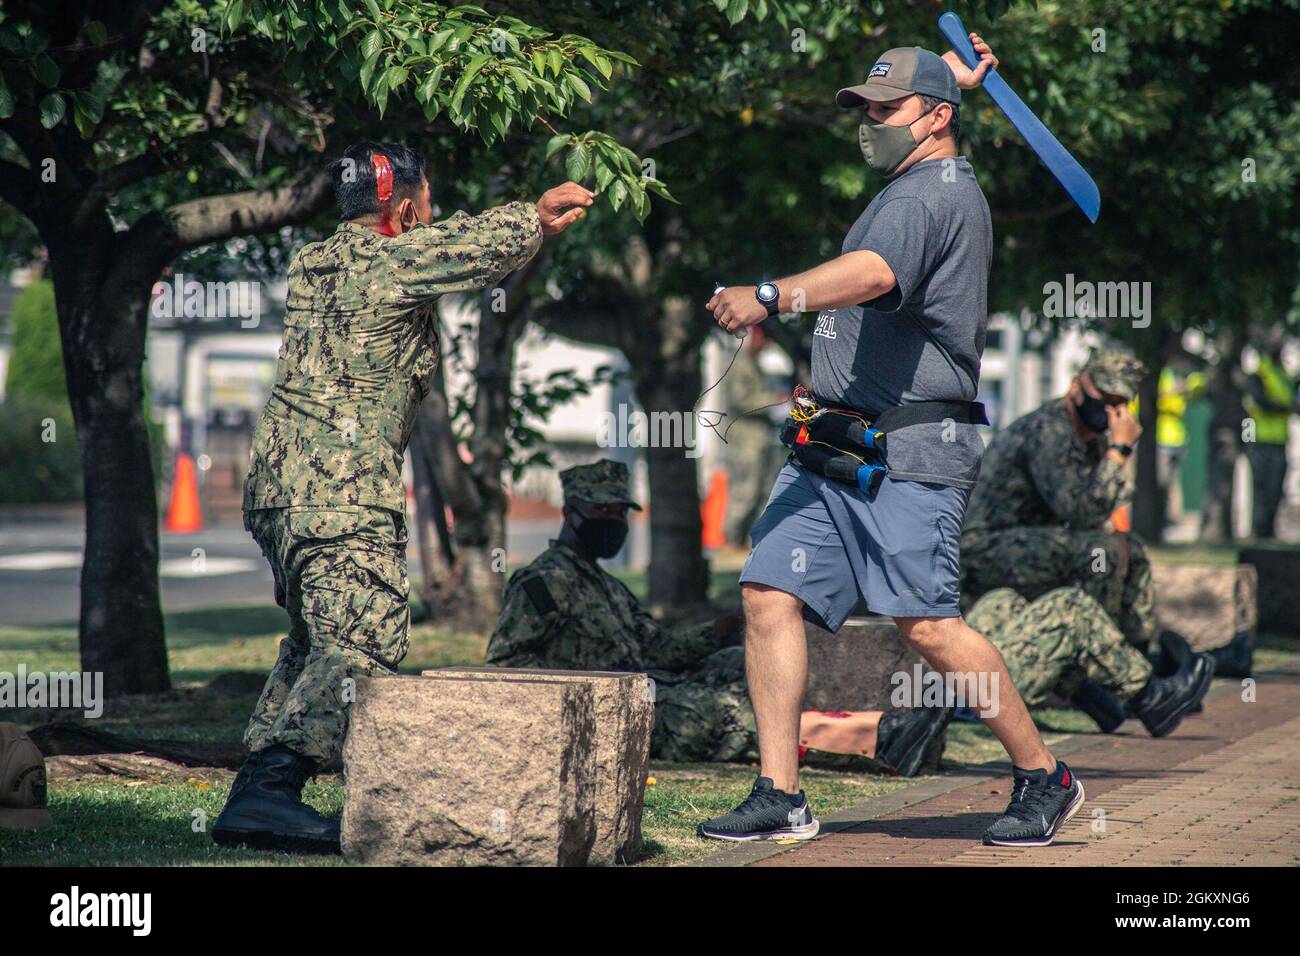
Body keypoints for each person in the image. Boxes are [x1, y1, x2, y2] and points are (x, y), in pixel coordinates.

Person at [702, 37, 1086, 848]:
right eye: (864, 109)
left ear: (935, 118)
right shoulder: (911, 185)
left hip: (908, 452)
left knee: (926, 624)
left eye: (886, 109)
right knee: (769, 593)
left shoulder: (932, 196)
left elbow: (874, 275)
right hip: (835, 446)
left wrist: (773, 294)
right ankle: (780, 793)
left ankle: (1044, 777)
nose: (868, 123)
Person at [212, 141, 594, 853]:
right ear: (406, 206)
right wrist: (533, 217)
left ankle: (257, 795)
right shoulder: (394, 260)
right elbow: (462, 249)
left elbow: (449, 258)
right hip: (342, 491)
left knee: (317, 639)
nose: (434, 214)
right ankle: (270, 789)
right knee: (364, 639)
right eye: (429, 201)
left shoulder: (313, 263)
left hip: (281, 492)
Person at [487, 459, 951, 774]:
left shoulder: (605, 585)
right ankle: (871, 742)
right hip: (606, 707)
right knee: (709, 713)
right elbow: (505, 666)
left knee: (738, 668)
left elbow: (657, 648)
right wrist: (581, 696)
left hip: (647, 684)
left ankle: (855, 725)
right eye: (600, 510)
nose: (612, 520)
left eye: (619, 511)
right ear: (570, 513)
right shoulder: (543, 582)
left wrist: (727, 626)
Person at [721, 327, 789, 546]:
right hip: (745, 441)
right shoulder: (739, 364)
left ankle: (745, 542)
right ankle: (731, 541)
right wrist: (772, 400)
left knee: (761, 491)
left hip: (760, 440)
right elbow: (740, 400)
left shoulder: (756, 363)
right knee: (744, 493)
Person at [1243, 332, 1297, 539]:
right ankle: (1258, 533)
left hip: (1280, 440)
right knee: (1262, 490)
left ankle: (1269, 533)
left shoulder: (1283, 374)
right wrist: (1287, 407)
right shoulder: (1258, 374)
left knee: (1276, 491)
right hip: (1259, 440)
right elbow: (1261, 403)